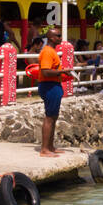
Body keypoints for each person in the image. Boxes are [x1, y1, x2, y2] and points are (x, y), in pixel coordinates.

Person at [36, 27, 68, 157]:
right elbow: (45, 71)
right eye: (58, 36)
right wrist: (62, 71)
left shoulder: (52, 51)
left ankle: (50, 146)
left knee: (53, 116)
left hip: (53, 85)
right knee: (49, 117)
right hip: (49, 86)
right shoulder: (48, 52)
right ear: (51, 38)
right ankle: (44, 149)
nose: (61, 38)